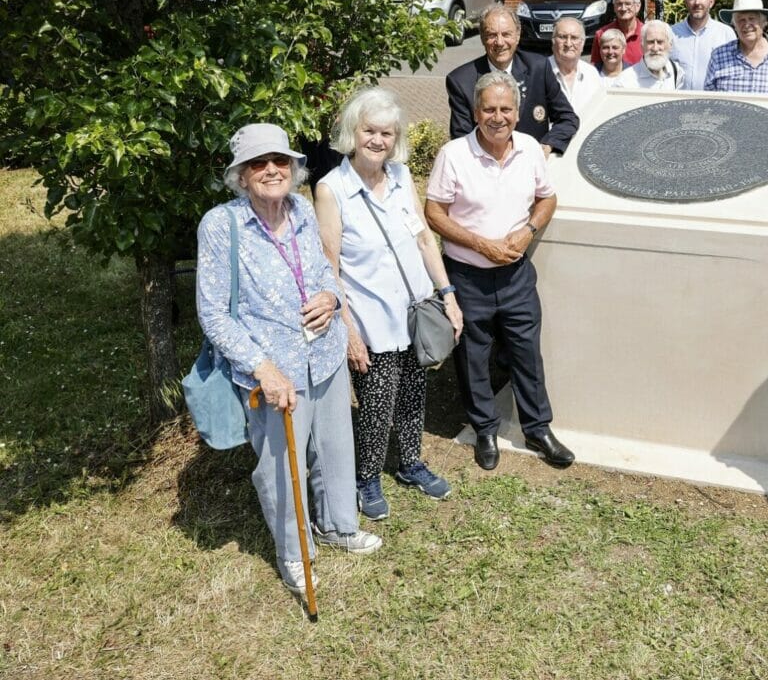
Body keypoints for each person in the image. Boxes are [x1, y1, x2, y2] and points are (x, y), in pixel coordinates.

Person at [196, 123, 381, 595]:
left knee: (338, 448)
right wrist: (262, 367)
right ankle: (295, 552)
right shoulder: (222, 226)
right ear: (241, 176)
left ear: (294, 168)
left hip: (324, 354)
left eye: (280, 160)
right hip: (274, 373)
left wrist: (329, 298)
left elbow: (322, 269)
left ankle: (339, 524)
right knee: (282, 467)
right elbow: (213, 313)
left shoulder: (299, 209)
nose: (272, 170)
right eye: (259, 163)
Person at [315, 88, 464, 521]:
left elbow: (423, 239)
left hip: (413, 311)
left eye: (386, 132)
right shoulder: (332, 189)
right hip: (369, 318)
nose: (377, 140)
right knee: (377, 403)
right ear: (352, 132)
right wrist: (347, 329)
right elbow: (330, 266)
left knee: (414, 393)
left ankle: (411, 463)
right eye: (369, 131)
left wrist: (447, 295)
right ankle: (367, 478)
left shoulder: (400, 177)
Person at [425, 71, 575, 472]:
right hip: (468, 276)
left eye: (505, 109)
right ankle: (485, 429)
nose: (498, 117)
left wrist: (528, 232)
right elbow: (434, 213)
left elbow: (548, 197)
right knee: (474, 356)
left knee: (527, 353)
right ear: (476, 112)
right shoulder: (453, 155)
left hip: (516, 276)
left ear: (517, 111)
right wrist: (479, 243)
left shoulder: (529, 148)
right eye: (489, 109)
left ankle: (538, 428)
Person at [446, 4, 579, 158]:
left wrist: (547, 145)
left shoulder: (539, 68)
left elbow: (568, 119)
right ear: (482, 38)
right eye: (492, 35)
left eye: (506, 34)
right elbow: (462, 140)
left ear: (518, 35)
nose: (500, 42)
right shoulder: (461, 81)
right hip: (487, 169)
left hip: (532, 167)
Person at [670, 0, 735, 88]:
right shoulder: (672, 33)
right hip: (680, 102)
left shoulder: (725, 34)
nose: (697, 2)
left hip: (713, 102)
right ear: (686, 1)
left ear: (711, 2)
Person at [548, 16, 605, 114]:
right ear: (553, 41)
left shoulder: (591, 74)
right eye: (562, 37)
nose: (568, 44)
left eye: (574, 38)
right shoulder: (539, 72)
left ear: (582, 44)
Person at [620, 20, 691, 90]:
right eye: (650, 42)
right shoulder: (625, 80)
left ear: (670, 45)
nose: (655, 48)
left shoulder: (677, 73)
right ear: (642, 46)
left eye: (660, 42)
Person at [589, 0, 644, 67]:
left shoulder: (647, 34)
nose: (623, 8)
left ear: (637, 6)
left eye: (628, 4)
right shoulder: (601, 34)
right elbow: (596, 68)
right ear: (614, 7)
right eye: (619, 4)